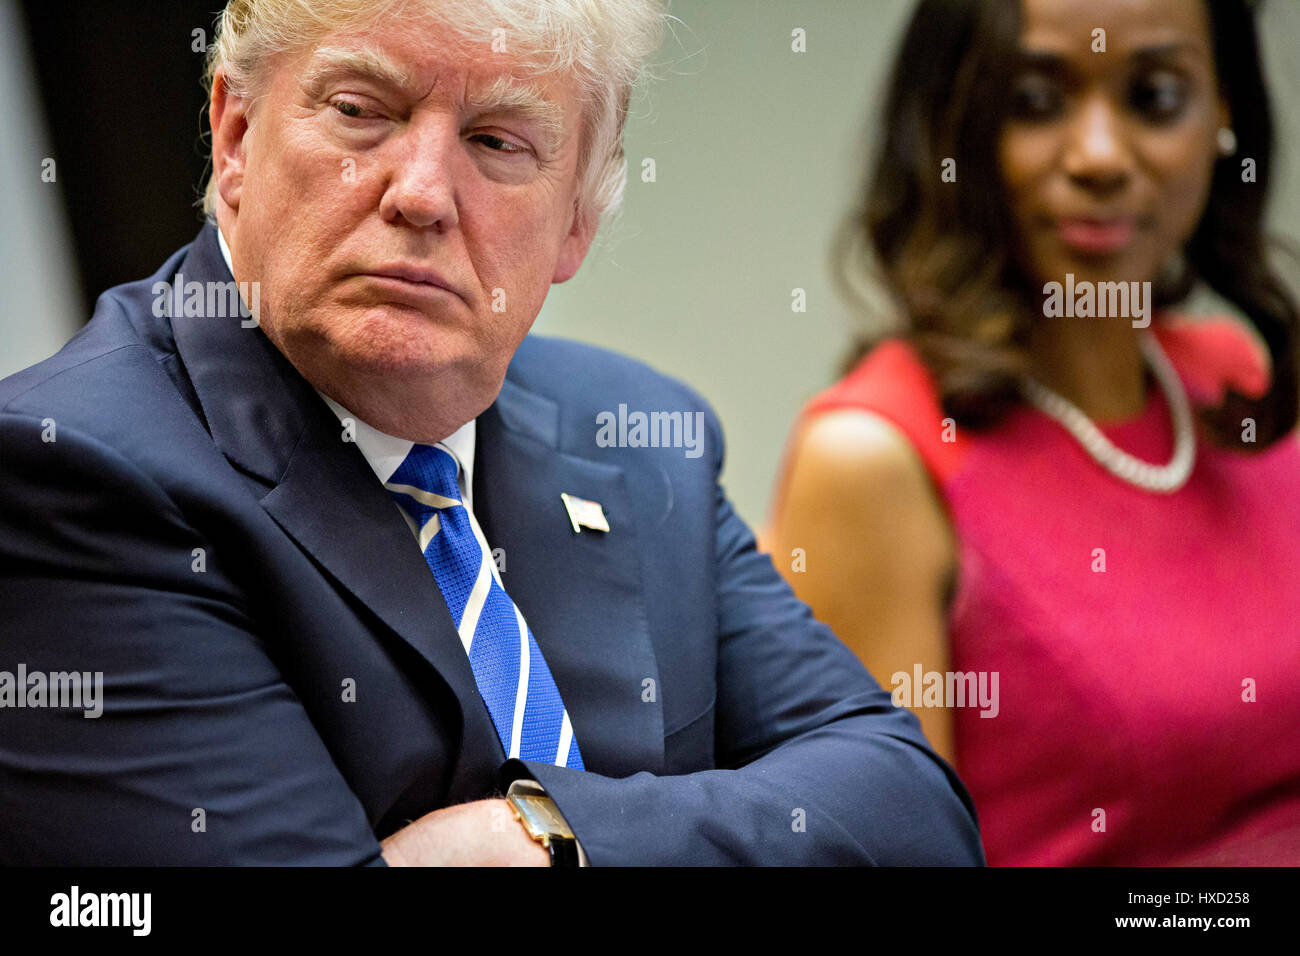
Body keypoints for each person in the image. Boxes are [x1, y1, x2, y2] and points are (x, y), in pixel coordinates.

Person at [0, 0, 983, 866]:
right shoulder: (74, 468)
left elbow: (910, 813)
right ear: (235, 134)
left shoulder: (640, 435)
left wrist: (548, 839)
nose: (421, 194)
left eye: (500, 141)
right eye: (360, 111)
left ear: (577, 225)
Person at [766, 0, 1300, 865]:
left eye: (1156, 98)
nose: (1098, 156)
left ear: (1224, 117)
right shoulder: (877, 458)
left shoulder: (1236, 379)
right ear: (955, 125)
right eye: (1037, 102)